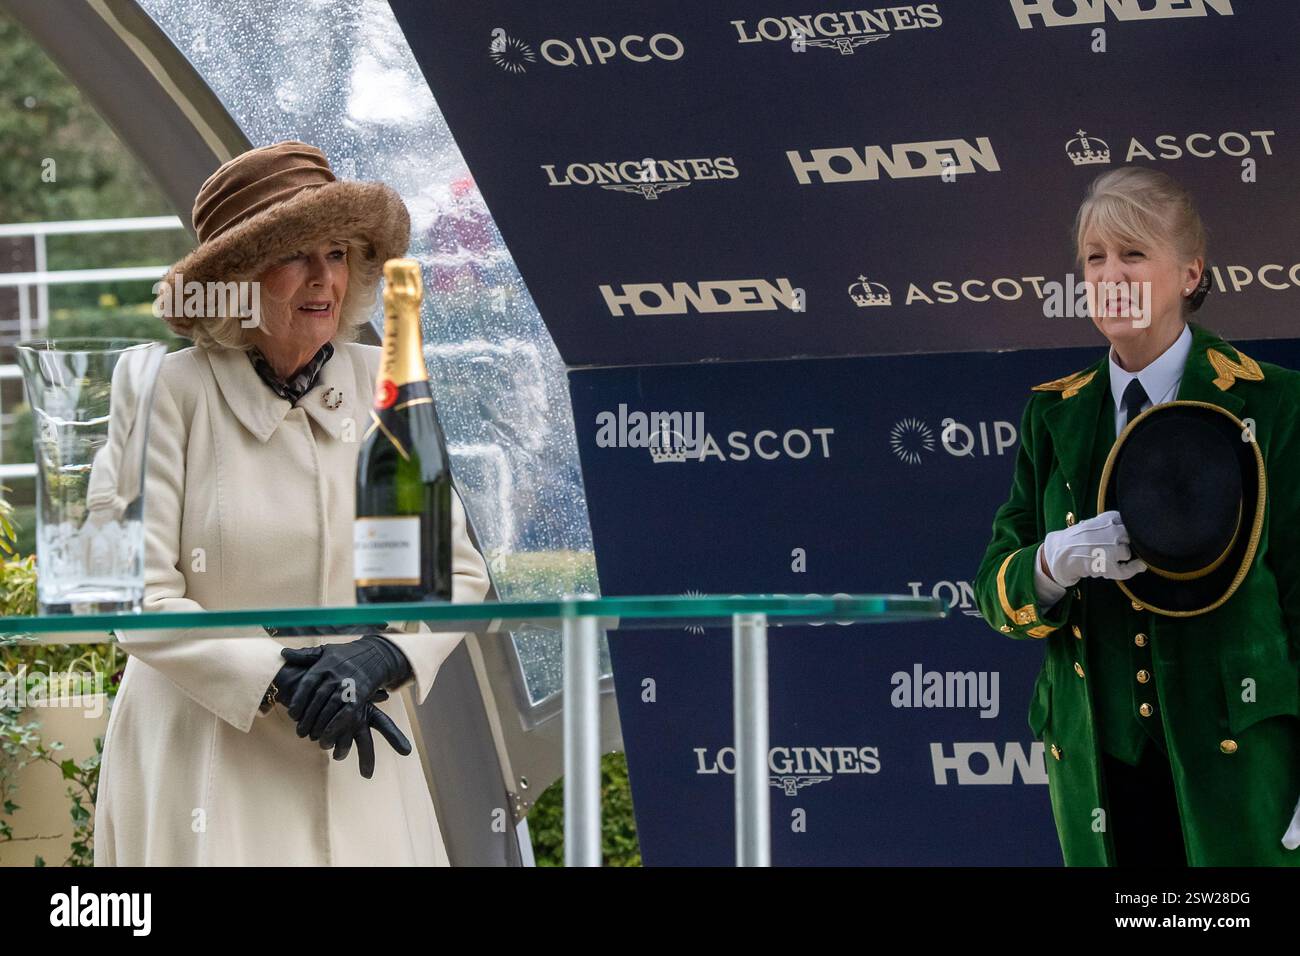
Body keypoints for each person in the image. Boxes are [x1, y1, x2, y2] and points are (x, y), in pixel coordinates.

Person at [94, 141, 491, 866]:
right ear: (237, 281)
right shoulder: (161, 390)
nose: (323, 278)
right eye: (295, 256)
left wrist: (381, 655)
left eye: (338, 254)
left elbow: (455, 575)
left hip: (363, 748)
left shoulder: (388, 380)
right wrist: (277, 679)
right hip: (206, 761)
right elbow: (130, 594)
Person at [974, 165, 1300, 866]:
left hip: (1235, 771)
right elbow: (996, 591)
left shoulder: (1274, 403)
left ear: (1189, 274)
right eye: (1095, 258)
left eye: (1133, 253)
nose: (1110, 274)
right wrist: (1050, 565)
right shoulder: (1053, 415)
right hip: (1101, 771)